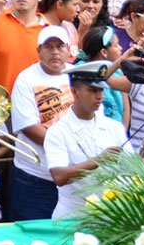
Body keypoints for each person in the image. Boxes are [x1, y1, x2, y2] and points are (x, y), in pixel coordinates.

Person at [7, 25, 76, 221]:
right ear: (38, 51)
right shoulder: (26, 78)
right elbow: (30, 128)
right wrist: (67, 148)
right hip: (35, 177)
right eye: (48, 47)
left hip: (71, 178)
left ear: (68, 49)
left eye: (60, 46)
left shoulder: (78, 74)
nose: (55, 52)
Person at [44, 61, 128, 218]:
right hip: (72, 216)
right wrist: (99, 160)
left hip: (109, 216)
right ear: (74, 92)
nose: (100, 96)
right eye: (92, 90)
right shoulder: (57, 131)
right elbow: (59, 177)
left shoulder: (114, 127)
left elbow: (130, 166)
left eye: (101, 90)